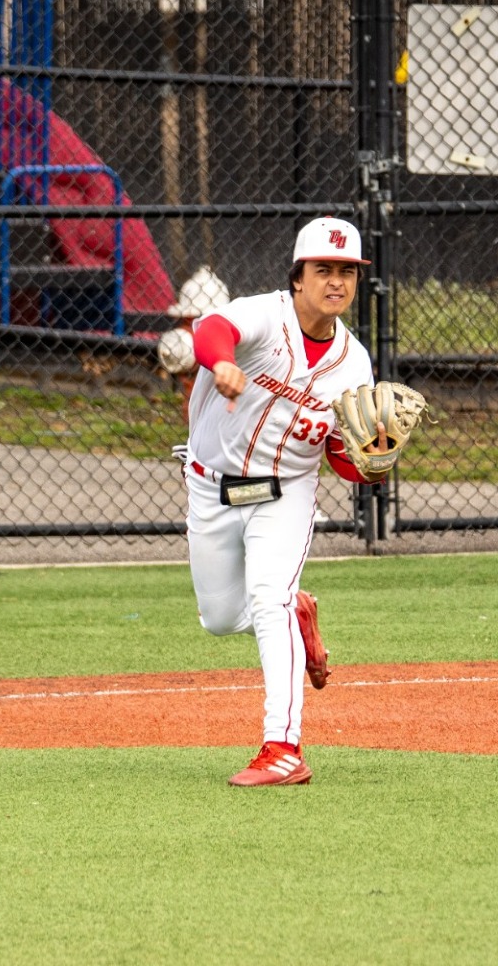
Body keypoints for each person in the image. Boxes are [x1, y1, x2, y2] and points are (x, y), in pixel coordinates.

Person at [180, 217, 390, 787]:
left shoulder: (355, 362)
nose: (336, 281)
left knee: (268, 597)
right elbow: (212, 330)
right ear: (298, 277)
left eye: (347, 272)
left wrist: (369, 456)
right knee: (220, 618)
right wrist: (222, 361)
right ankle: (299, 618)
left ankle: (283, 748)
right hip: (210, 483)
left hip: (286, 491)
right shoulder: (263, 315)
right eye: (324, 269)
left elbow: (350, 464)